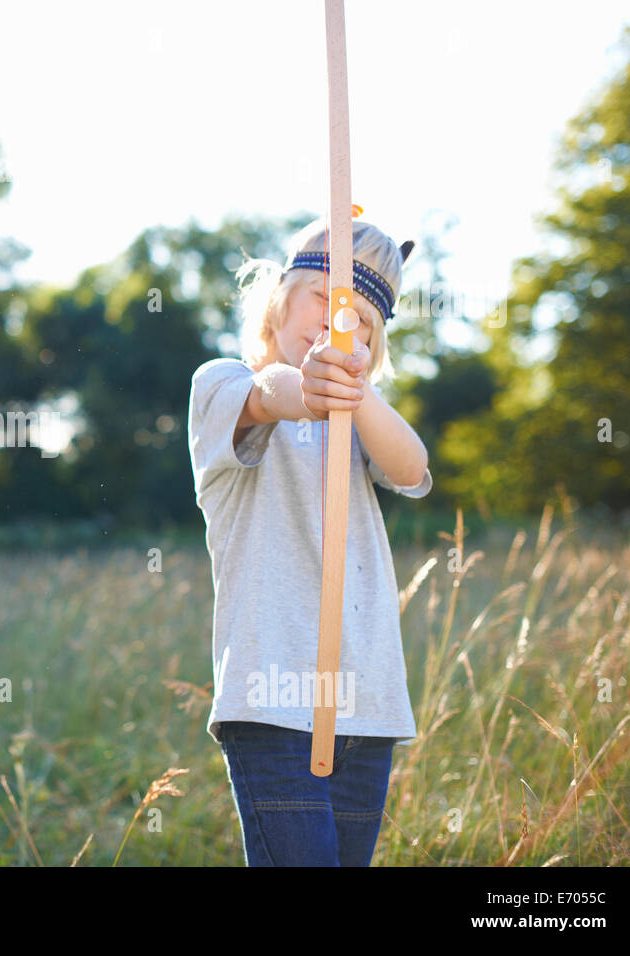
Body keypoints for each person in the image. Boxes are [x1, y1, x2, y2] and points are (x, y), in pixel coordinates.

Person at [186, 217, 429, 866]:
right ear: (278, 300)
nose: (336, 324)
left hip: (367, 704)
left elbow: (410, 467)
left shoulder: (362, 422)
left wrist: (353, 387)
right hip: (273, 701)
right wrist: (314, 385)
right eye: (324, 299)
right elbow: (270, 394)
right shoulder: (223, 385)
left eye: (362, 324)